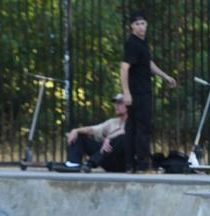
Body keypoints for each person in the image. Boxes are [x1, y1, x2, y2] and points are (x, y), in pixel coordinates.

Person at [120, 10, 176, 172]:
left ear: (147, 25)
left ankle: (130, 165)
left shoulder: (141, 43)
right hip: (138, 93)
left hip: (141, 90)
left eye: (143, 23)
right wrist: (126, 92)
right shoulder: (132, 43)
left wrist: (165, 76)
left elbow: (148, 63)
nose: (141, 27)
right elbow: (124, 68)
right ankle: (143, 165)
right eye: (137, 24)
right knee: (142, 128)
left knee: (132, 128)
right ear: (131, 26)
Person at [63, 94, 128, 172]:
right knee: (80, 134)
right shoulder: (112, 122)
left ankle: (90, 163)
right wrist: (75, 130)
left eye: (120, 103)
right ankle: (73, 165)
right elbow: (93, 129)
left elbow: (126, 131)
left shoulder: (135, 123)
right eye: (115, 103)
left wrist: (109, 138)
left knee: (120, 138)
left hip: (123, 162)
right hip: (107, 158)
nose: (116, 106)